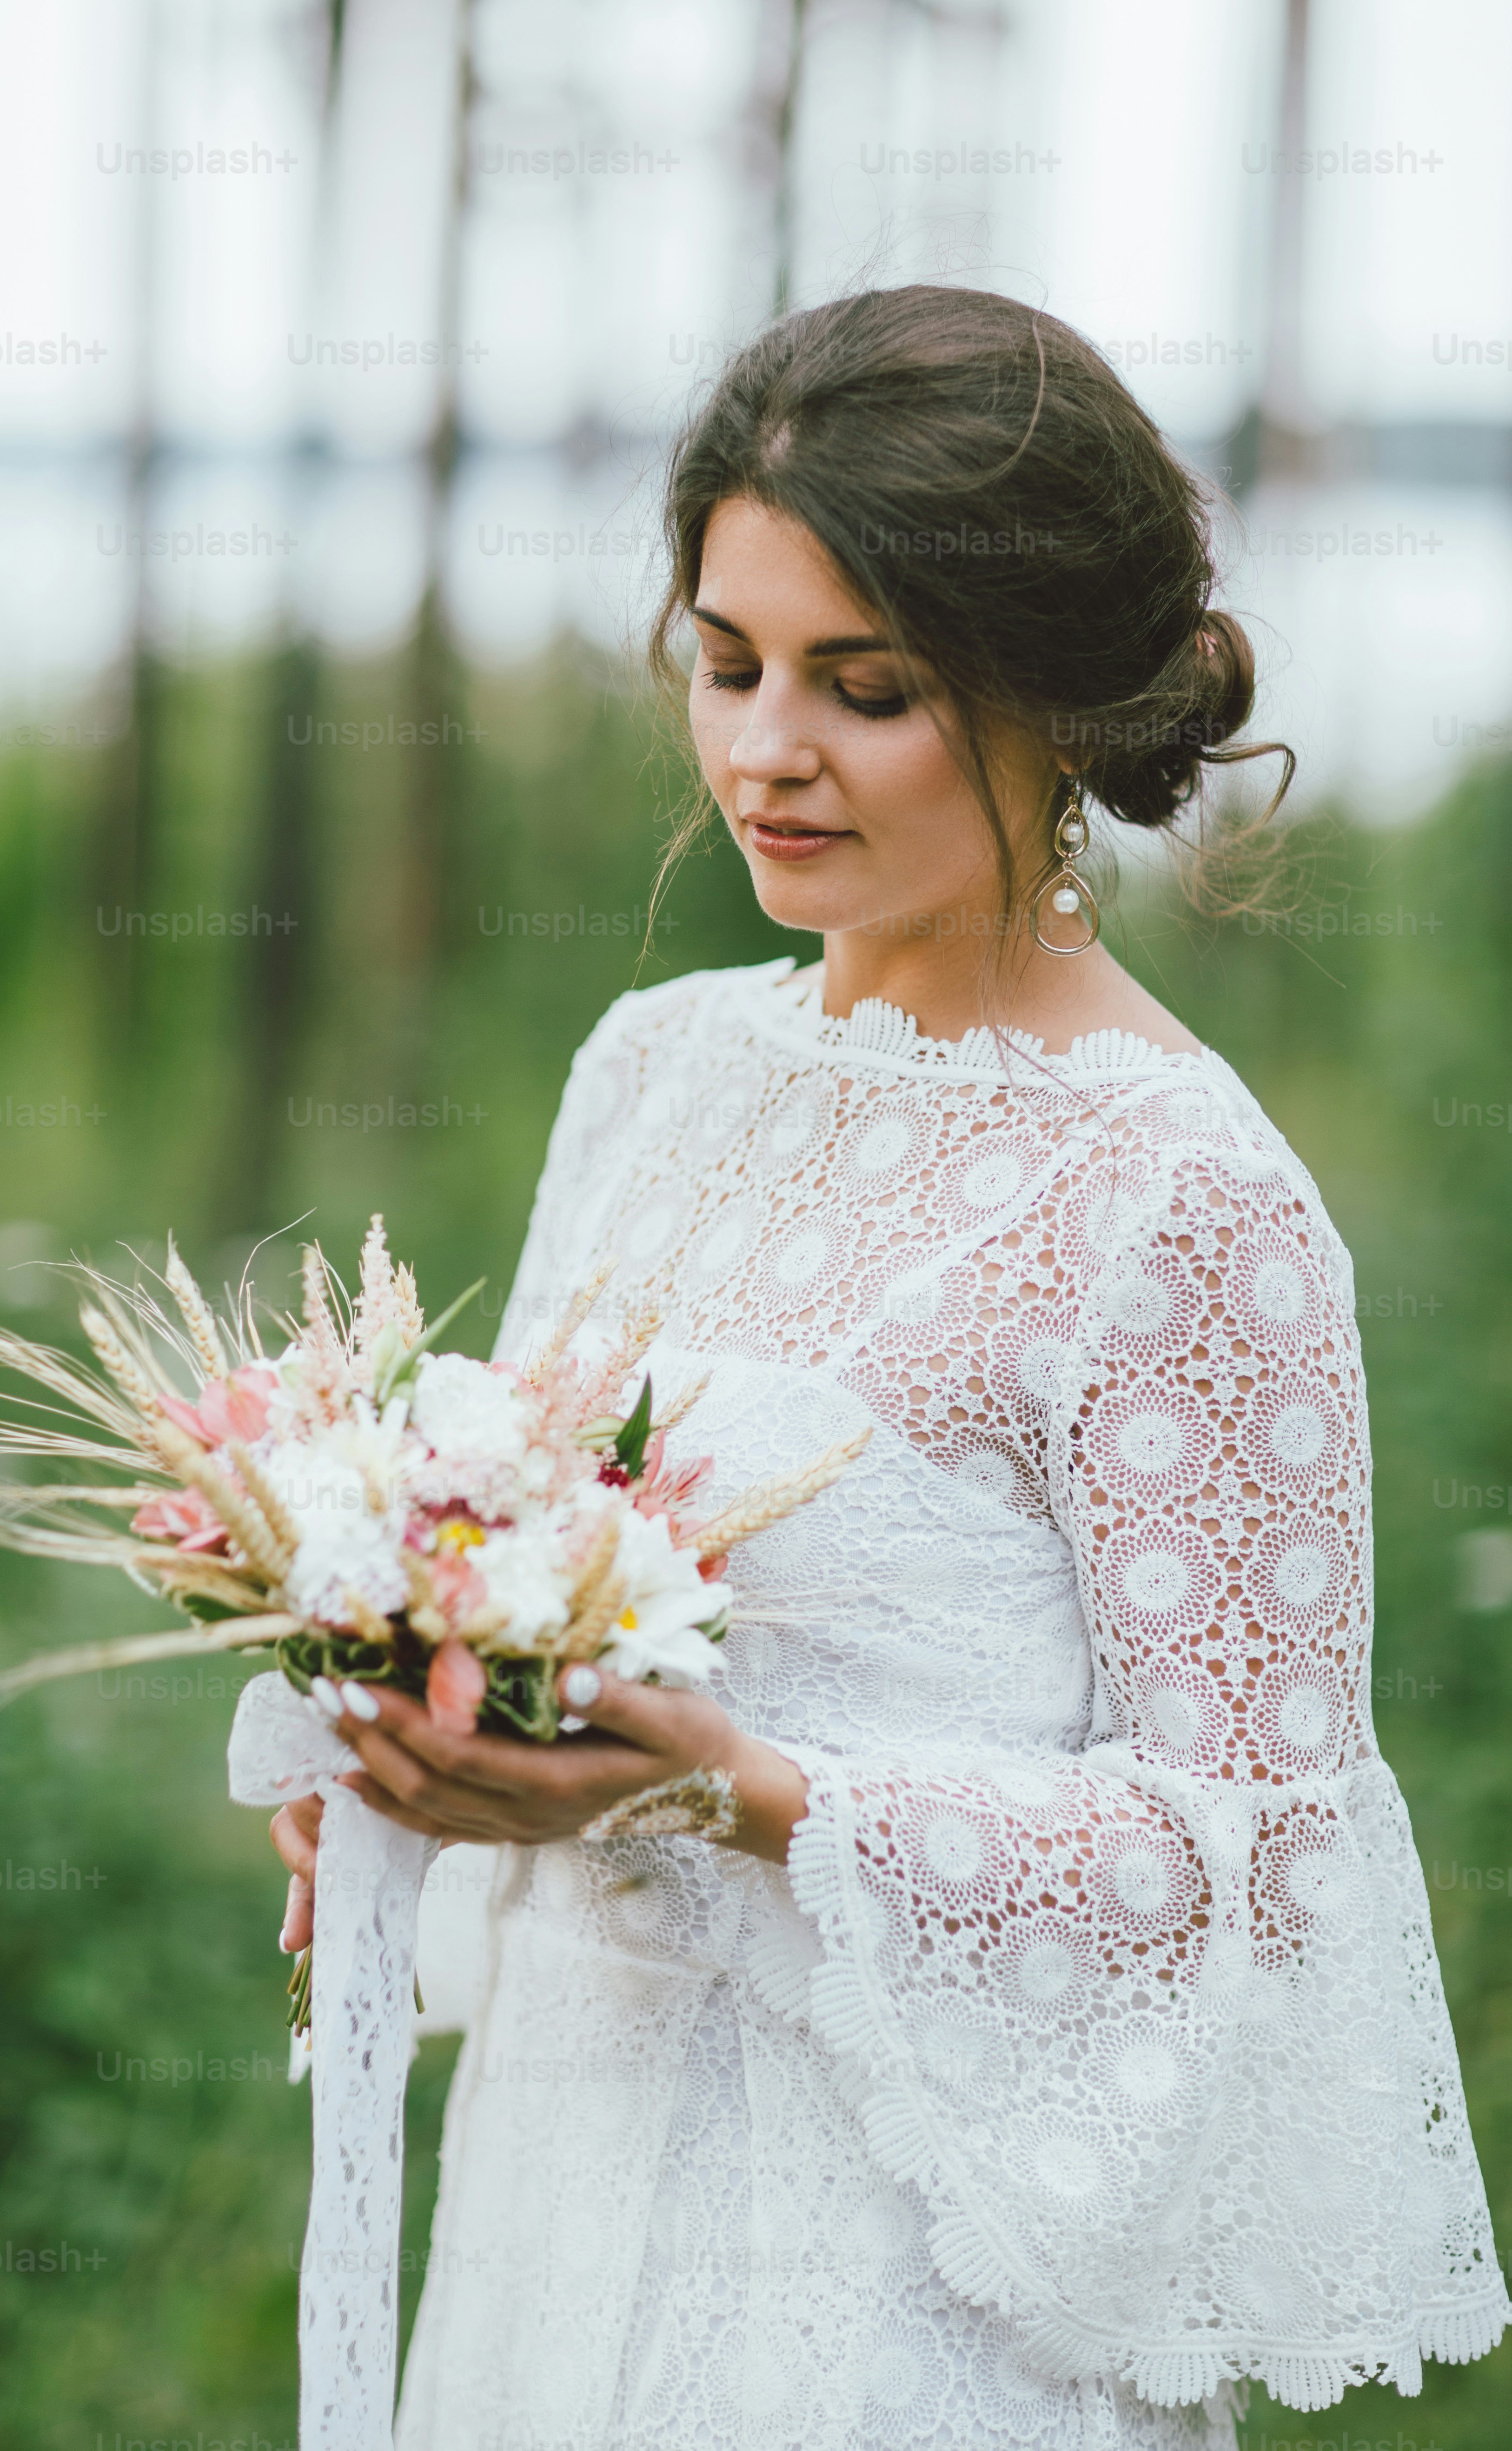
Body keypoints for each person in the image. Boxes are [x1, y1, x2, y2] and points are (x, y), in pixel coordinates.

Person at [263, 286, 1508, 2449]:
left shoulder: (1182, 1200)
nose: (767, 749)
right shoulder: (650, 1071)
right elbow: (546, 1571)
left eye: (871, 689)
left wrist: (734, 1791)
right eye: (728, 661)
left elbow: (1256, 1873)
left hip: (898, 2309)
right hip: (556, 2209)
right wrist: (415, 1744)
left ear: (1056, 698)